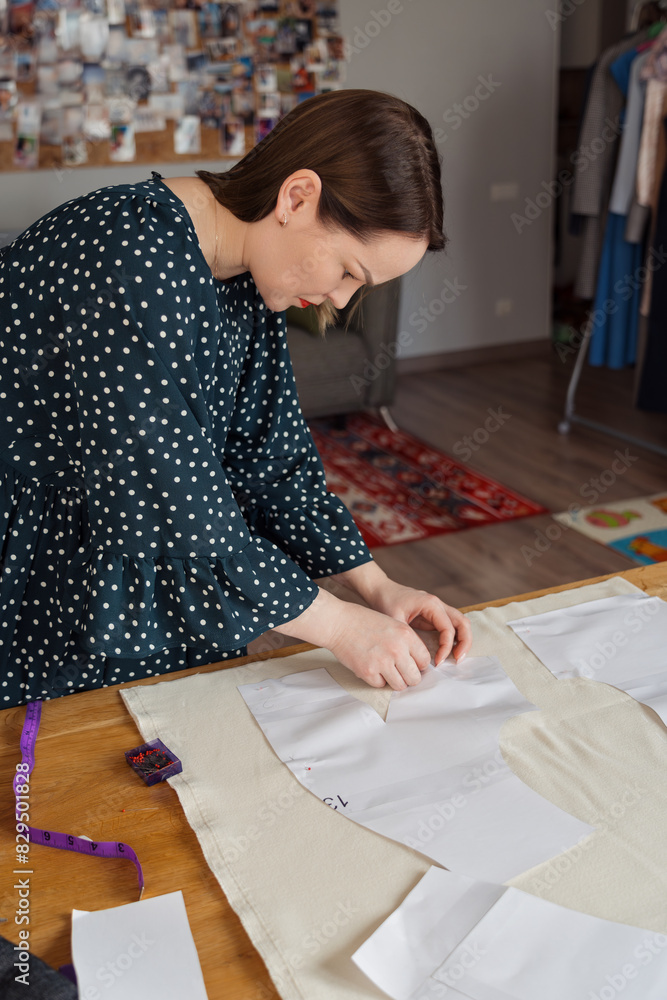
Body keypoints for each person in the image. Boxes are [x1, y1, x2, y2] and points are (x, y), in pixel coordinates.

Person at [0, 88, 471, 709]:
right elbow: (173, 506)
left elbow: (270, 461)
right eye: (348, 272)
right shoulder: (127, 258)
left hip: (125, 553)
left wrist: (377, 588)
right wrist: (338, 626)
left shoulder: (244, 273)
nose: (340, 300)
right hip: (41, 570)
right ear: (296, 197)